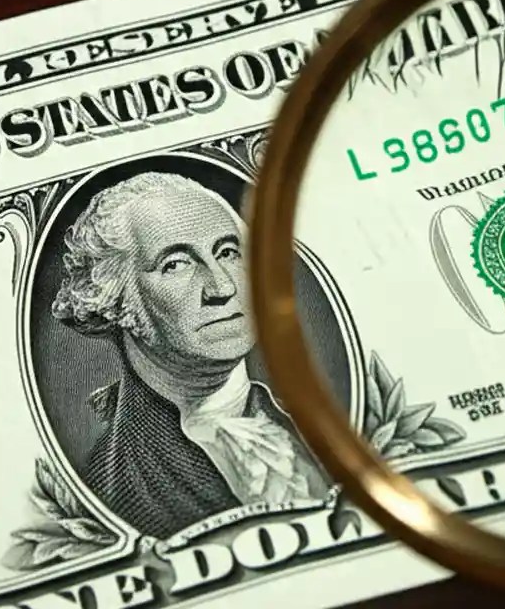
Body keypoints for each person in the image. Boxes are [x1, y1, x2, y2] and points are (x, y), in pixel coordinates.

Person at [50, 171, 330, 538]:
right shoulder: (114, 488)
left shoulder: (306, 417)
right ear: (115, 298)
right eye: (176, 263)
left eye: (227, 253)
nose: (222, 286)